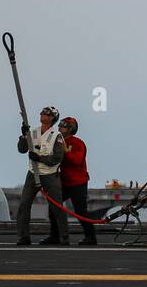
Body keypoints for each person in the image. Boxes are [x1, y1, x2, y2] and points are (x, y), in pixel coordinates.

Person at [15, 105, 68, 246]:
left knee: (57, 207)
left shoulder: (57, 136)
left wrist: (39, 158)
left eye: (47, 113)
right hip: (33, 173)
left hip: (50, 175)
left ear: (52, 118)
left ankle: (64, 237)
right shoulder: (33, 133)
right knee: (24, 205)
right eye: (43, 112)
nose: (43, 115)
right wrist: (23, 136)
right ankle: (23, 237)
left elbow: (57, 158)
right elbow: (22, 149)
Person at [58, 117, 96, 245]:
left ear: (70, 129)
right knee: (54, 207)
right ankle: (55, 235)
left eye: (63, 126)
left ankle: (91, 237)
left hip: (78, 183)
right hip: (63, 182)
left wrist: (65, 151)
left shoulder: (78, 143)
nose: (59, 127)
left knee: (80, 211)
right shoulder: (57, 142)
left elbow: (76, 161)